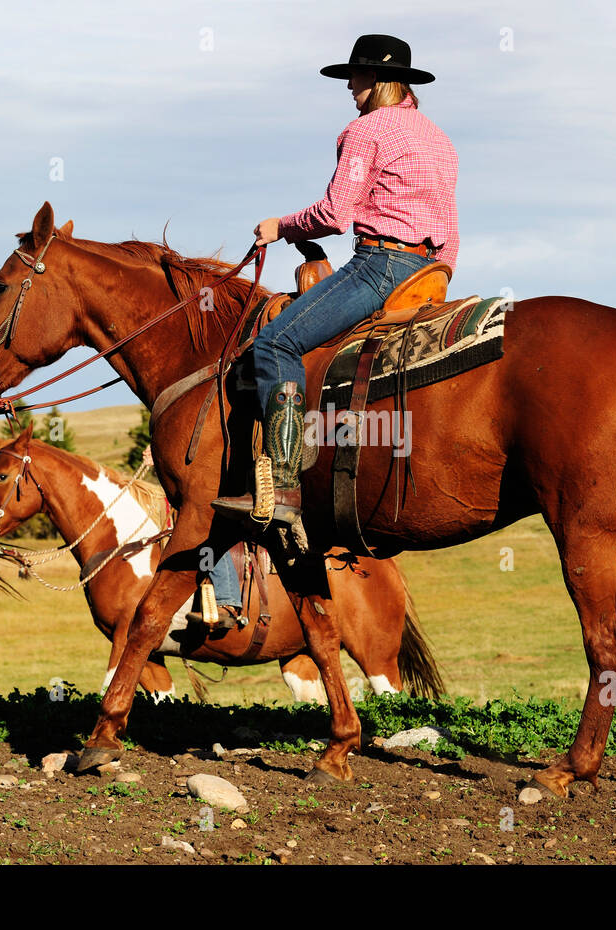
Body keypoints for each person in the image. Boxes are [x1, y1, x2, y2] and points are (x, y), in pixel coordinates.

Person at [209, 34, 458, 552]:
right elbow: (450, 231)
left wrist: (280, 227)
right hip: (428, 275)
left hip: (378, 266)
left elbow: (335, 215)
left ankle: (281, 484)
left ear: (378, 80)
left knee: (274, 344)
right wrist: (436, 278)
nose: (349, 86)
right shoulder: (438, 138)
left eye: (356, 76)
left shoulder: (364, 131)